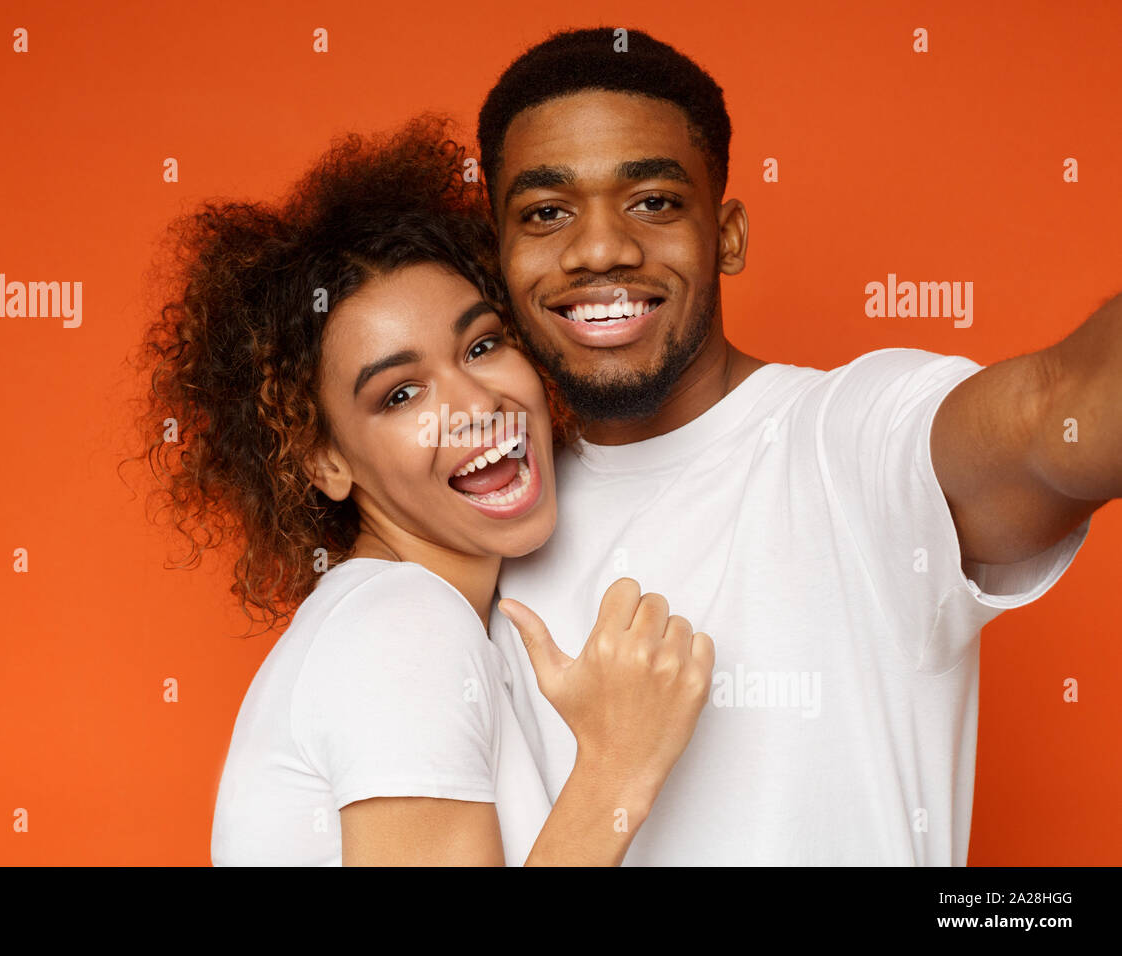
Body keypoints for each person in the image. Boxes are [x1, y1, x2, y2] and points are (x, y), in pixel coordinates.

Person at [476, 26, 1117, 865]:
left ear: (729, 236)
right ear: (499, 256)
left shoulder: (844, 438)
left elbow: (1056, 409)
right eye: (547, 212)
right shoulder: (484, 521)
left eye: (655, 202)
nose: (600, 249)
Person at [130, 114, 716, 865]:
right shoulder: (402, 624)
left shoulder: (398, 619)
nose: (474, 406)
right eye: (400, 394)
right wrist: (617, 769)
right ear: (324, 460)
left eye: (482, 345)